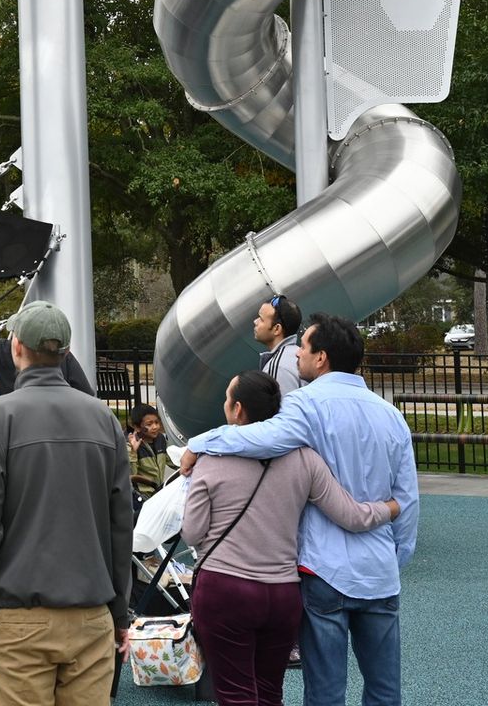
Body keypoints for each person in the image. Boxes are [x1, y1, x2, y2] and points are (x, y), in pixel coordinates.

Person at [177, 313, 420, 706]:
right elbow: (406, 498)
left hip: (324, 568)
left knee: (325, 690)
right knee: (385, 688)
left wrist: (201, 442)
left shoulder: (306, 405)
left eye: (302, 349)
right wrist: (396, 556)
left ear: (320, 358)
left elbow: (262, 437)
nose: (295, 358)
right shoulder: (390, 415)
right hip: (379, 569)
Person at [0, 301, 131, 706]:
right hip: (92, 613)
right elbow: (120, 524)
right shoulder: (103, 419)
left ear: (16, 346)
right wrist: (119, 612)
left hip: (18, 615)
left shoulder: (0, 417)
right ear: (65, 353)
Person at [254, 294, 304, 396]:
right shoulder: (297, 354)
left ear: (277, 329)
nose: (255, 322)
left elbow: (281, 411)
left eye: (261, 319)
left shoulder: (278, 367)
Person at [129, 405, 173, 500]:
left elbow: (171, 460)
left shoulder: (161, 439)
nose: (155, 427)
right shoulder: (131, 445)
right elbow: (131, 475)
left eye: (157, 422)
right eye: (149, 424)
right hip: (142, 495)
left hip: (158, 492)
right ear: (137, 427)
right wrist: (133, 452)